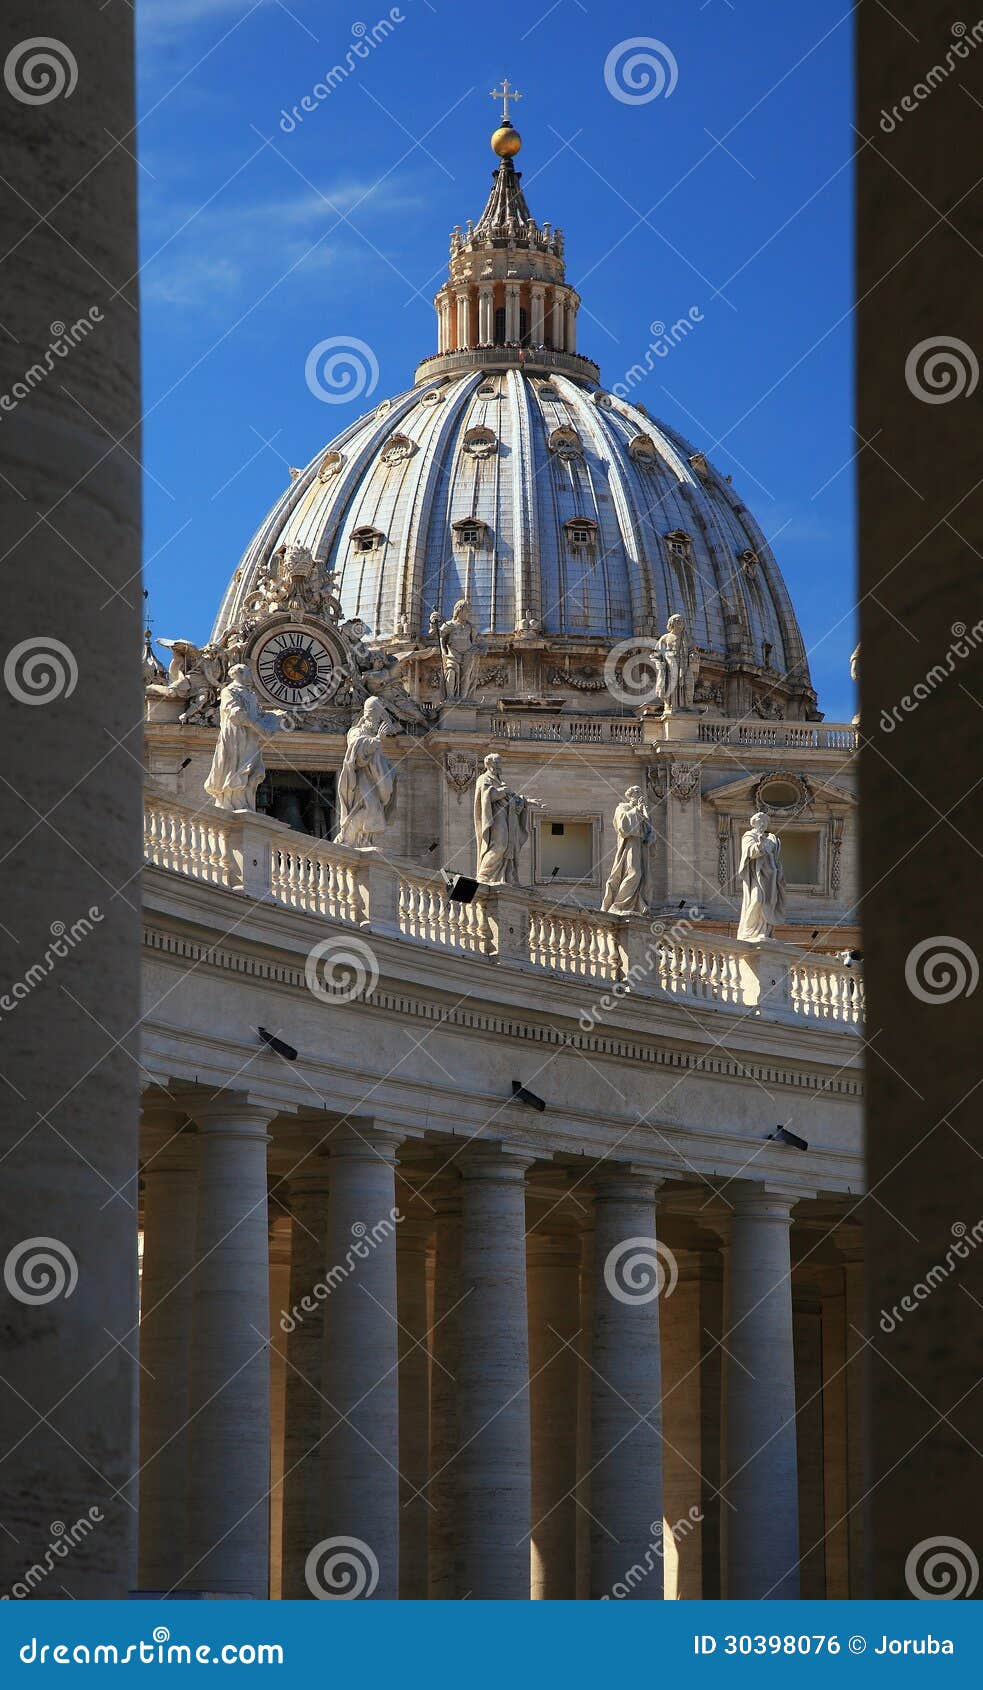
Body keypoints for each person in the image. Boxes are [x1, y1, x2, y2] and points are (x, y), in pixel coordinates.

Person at [204, 664, 288, 811]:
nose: (251, 676)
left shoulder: (251, 695)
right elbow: (236, 714)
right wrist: (258, 727)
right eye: (249, 673)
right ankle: (232, 802)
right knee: (237, 767)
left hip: (251, 737)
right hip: (237, 736)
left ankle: (245, 802)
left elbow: (256, 714)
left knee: (251, 770)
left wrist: (273, 716)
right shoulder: (229, 691)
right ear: (239, 674)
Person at [336, 697, 397, 847]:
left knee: (374, 808)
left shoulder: (373, 733)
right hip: (360, 780)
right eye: (377, 718)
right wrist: (376, 740)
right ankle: (348, 839)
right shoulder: (356, 731)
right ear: (369, 715)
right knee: (370, 807)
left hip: (374, 779)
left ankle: (364, 841)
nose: (378, 722)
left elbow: (378, 759)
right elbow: (356, 749)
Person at [473, 753, 541, 884]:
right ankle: (484, 875)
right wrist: (502, 791)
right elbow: (488, 796)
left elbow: (512, 798)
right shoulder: (484, 778)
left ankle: (504, 875)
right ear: (489, 764)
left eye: (500, 763)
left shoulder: (500, 781)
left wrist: (527, 801)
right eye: (497, 763)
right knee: (499, 844)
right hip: (494, 818)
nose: (499, 766)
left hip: (506, 817)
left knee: (507, 845)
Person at [602, 786, 654, 916]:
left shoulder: (641, 810)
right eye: (636, 792)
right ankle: (618, 905)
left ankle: (636, 904)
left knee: (642, 875)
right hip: (630, 844)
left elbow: (648, 828)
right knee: (633, 872)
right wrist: (637, 810)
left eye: (640, 792)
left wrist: (644, 815)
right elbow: (623, 826)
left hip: (641, 845)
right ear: (630, 795)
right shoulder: (622, 807)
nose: (639, 794)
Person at [736, 811, 786, 941]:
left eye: (765, 822)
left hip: (770, 876)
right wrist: (759, 845)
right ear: (754, 823)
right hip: (756, 876)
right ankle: (749, 931)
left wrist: (778, 869)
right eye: (760, 821)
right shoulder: (749, 835)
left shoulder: (771, 838)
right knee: (757, 899)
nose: (763, 824)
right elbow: (750, 852)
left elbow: (775, 856)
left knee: (770, 901)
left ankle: (765, 931)